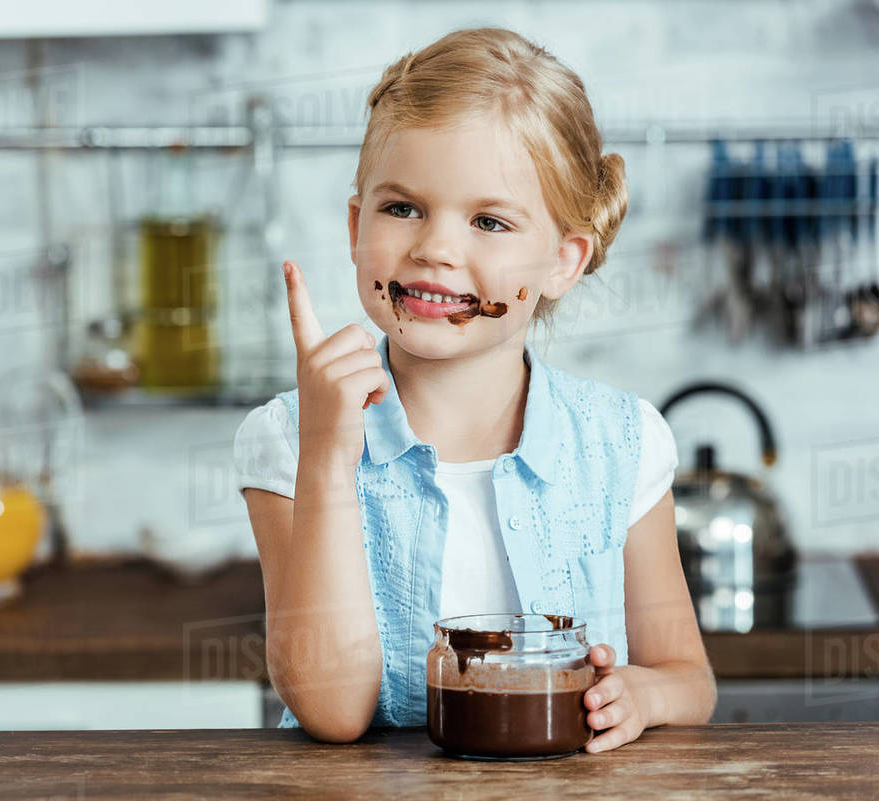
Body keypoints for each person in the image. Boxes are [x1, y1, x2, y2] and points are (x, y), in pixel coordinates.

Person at [233, 28, 716, 752]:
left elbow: (690, 678)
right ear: (356, 224)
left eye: (488, 221)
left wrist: (645, 692)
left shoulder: (623, 443)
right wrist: (327, 455)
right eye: (403, 208)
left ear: (562, 260)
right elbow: (333, 711)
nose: (434, 248)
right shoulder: (286, 438)